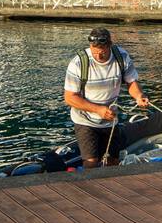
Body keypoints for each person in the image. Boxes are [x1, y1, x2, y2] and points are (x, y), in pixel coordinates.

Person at [63, 26, 149, 168]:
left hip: (111, 119)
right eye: (94, 52)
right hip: (85, 121)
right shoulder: (78, 63)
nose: (97, 56)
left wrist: (139, 96)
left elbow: (131, 82)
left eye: (101, 53)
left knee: (113, 161)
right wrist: (97, 110)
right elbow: (70, 97)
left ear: (109, 45)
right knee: (91, 162)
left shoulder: (121, 57)